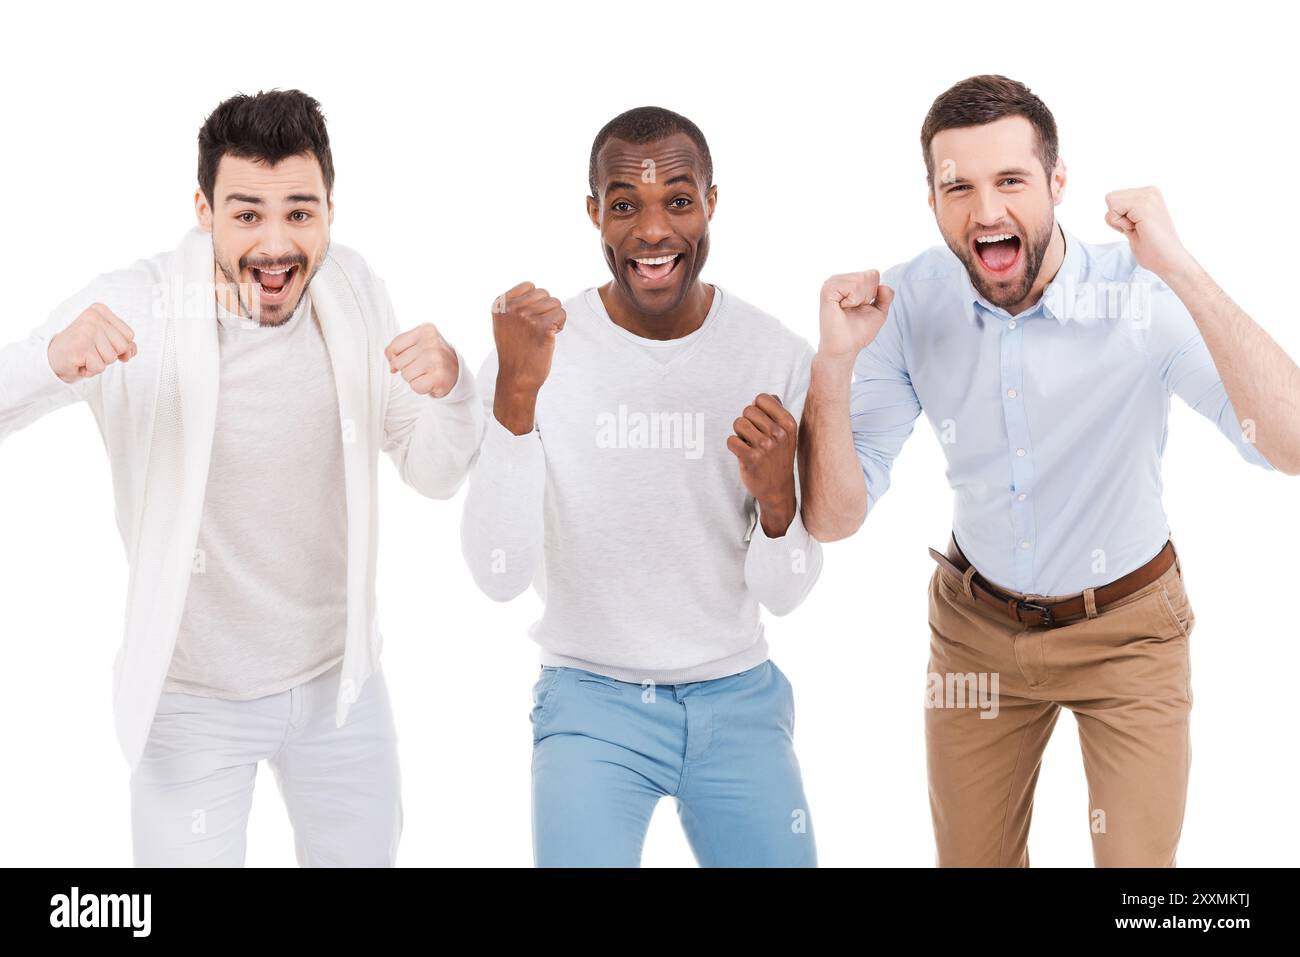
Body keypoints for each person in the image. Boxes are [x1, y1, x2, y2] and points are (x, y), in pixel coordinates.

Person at [798, 74, 1300, 867]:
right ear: (930, 199)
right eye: (957, 185)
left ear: (1057, 183)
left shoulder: (1139, 296)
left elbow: (1293, 443)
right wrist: (831, 365)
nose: (986, 210)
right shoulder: (905, 307)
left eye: (1011, 180)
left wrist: (1183, 269)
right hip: (977, 632)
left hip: (1129, 632)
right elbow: (833, 518)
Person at [0, 89, 484, 866]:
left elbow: (433, 471)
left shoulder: (353, 289)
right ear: (204, 209)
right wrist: (47, 362)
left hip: (340, 689)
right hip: (191, 704)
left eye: (299, 212)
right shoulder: (140, 306)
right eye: (246, 213)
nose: (274, 243)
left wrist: (456, 389)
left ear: (329, 208)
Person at [460, 106, 822, 867]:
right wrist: (515, 401)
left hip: (738, 698)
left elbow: (786, 596)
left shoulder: (775, 352)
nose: (653, 231)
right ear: (595, 213)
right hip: (590, 702)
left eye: (678, 201)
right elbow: (498, 576)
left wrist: (779, 500)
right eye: (625, 204)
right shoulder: (537, 347)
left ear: (711, 204)